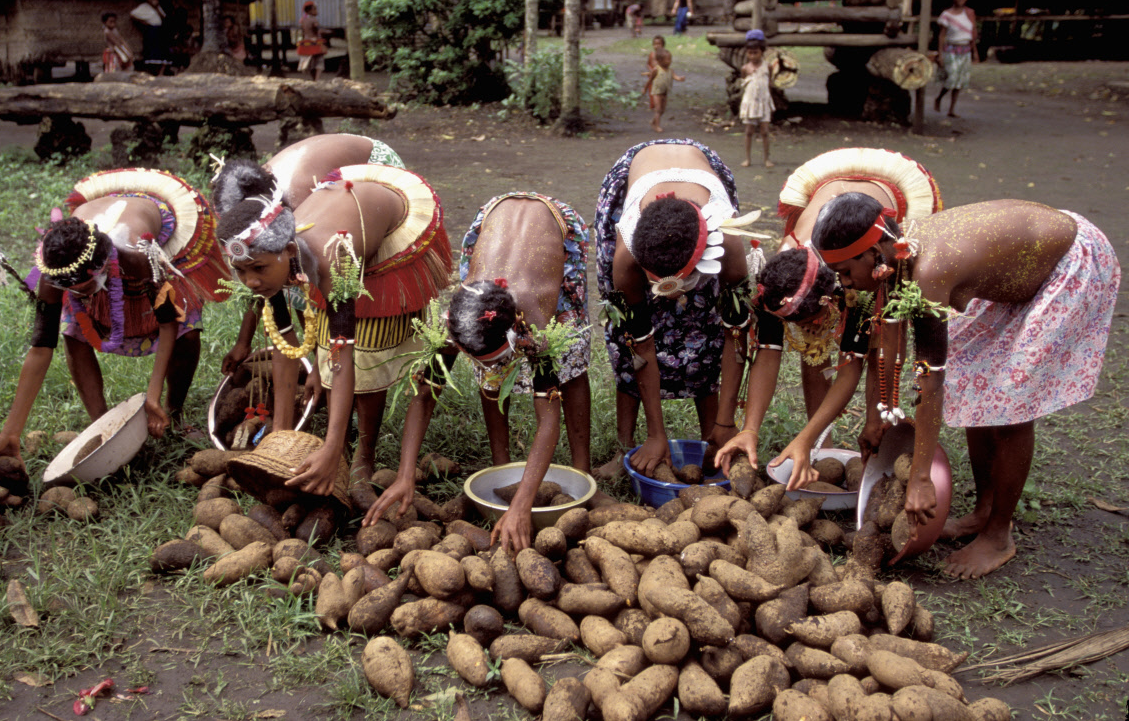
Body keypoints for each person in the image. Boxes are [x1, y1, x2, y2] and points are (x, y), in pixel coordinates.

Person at [811, 193, 1118, 578]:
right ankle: (983, 511)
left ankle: (998, 535)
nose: (844, 283)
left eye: (844, 271)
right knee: (974, 381)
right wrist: (876, 419)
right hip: (1018, 269)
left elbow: (930, 379)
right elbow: (889, 342)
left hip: (1066, 265)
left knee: (1010, 405)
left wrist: (921, 478)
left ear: (874, 252)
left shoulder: (927, 272)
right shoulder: (894, 257)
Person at [363, 193, 600, 551]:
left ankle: (583, 470)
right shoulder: (457, 321)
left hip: (554, 224)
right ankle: (500, 466)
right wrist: (405, 473)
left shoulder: (534, 320)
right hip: (494, 217)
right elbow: (425, 394)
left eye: (496, 358)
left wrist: (522, 505)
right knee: (491, 378)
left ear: (516, 333)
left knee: (571, 361)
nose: (488, 369)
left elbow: (548, 416)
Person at [214, 162, 451, 496]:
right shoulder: (270, 263)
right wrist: (279, 436)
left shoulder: (332, 262)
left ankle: (363, 454)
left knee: (368, 349)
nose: (250, 281)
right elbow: (285, 344)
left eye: (258, 269)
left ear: (290, 252)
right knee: (328, 343)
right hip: (338, 224)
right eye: (240, 271)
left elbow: (342, 358)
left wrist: (330, 446)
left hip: (389, 222)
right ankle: (341, 443)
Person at [0, 170, 231, 474]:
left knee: (187, 332)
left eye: (86, 288)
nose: (80, 295)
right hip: (96, 246)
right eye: (73, 291)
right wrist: (11, 431)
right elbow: (40, 348)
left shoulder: (136, 254)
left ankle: (174, 412)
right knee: (73, 333)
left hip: (148, 231)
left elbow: (169, 324)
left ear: (103, 266)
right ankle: (101, 426)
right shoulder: (53, 273)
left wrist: (152, 397)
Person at [716, 148, 944, 478]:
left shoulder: (860, 277)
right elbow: (767, 351)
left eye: (813, 323)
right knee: (814, 352)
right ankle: (822, 445)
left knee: (879, 341)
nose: (809, 332)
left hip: (884, 205)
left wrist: (870, 418)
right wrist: (750, 428)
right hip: (827, 198)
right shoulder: (777, 281)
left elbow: (852, 364)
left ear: (831, 301)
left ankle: (875, 424)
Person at [593, 140, 764, 479]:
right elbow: (638, 343)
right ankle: (625, 448)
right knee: (623, 340)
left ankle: (715, 434)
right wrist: (656, 435)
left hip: (699, 172)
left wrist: (727, 420)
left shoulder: (727, 243)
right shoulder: (626, 255)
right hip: (640, 170)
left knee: (706, 329)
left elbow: (735, 332)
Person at [213, 134, 406, 378]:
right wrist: (244, 341)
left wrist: (327, 361)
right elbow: (260, 274)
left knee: (322, 275)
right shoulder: (246, 217)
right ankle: (323, 363)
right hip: (307, 191)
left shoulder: (298, 206)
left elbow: (280, 268)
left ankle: (341, 363)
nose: (250, 278)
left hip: (368, 166)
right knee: (289, 276)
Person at [935, 0, 979, 117]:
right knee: (952, 78)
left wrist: (975, 52)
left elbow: (972, 35)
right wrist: (940, 54)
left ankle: (951, 109)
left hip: (965, 50)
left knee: (960, 81)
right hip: (951, 50)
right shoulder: (946, 15)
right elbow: (941, 35)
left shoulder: (969, 13)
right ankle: (939, 98)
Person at [739, 29, 777, 168]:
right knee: (748, 132)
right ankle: (747, 159)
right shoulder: (745, 68)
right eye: (750, 53)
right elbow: (744, 83)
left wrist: (769, 100)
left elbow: (769, 83)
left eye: (756, 52)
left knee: (765, 132)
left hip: (764, 103)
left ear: (762, 52)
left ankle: (767, 158)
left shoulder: (768, 66)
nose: (753, 56)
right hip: (750, 103)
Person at [130, 0, 171, 75]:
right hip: (152, 31)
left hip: (160, 30)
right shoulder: (144, 7)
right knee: (152, 51)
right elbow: (133, 14)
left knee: (162, 52)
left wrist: (157, 7)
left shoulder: (158, 7)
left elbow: (163, 17)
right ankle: (152, 71)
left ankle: (161, 72)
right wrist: (144, 22)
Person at [647, 50, 684, 134]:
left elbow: (676, 77)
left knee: (662, 110)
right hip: (657, 92)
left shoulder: (670, 70)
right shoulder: (656, 69)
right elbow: (650, 80)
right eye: (668, 59)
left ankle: (653, 122)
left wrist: (680, 78)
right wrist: (645, 88)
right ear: (660, 60)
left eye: (670, 59)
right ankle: (657, 126)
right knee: (658, 109)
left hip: (664, 92)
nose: (670, 61)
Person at [297, 1, 325, 82]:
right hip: (315, 43)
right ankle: (317, 79)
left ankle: (313, 79)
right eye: (314, 9)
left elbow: (303, 32)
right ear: (309, 11)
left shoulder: (303, 20)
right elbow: (318, 30)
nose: (316, 11)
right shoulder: (313, 20)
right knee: (319, 61)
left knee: (311, 62)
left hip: (306, 42)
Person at [641, 35, 666, 104]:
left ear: (663, 45)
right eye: (655, 44)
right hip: (652, 76)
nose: (657, 46)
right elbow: (648, 64)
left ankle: (660, 104)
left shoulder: (664, 55)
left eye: (659, 44)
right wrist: (650, 70)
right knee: (652, 91)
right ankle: (653, 104)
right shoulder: (652, 54)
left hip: (660, 77)